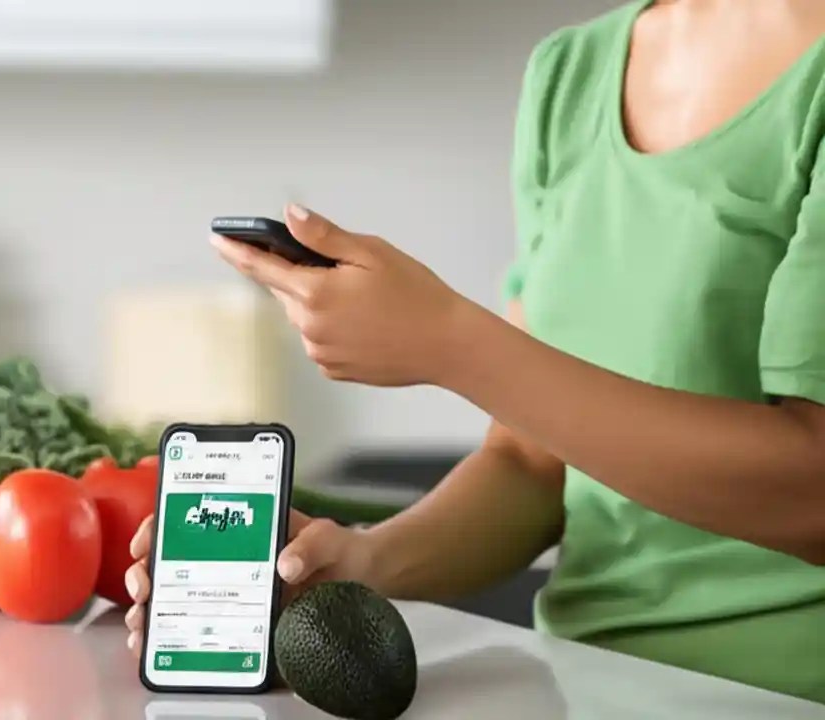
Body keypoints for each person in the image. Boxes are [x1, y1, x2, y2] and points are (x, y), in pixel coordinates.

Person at [124, 0, 825, 703]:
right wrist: (363, 560)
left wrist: (454, 343)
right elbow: (530, 463)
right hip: (578, 684)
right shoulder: (571, 75)